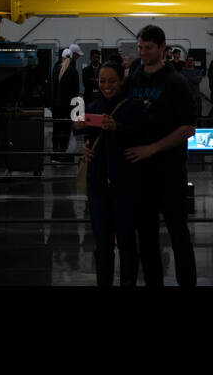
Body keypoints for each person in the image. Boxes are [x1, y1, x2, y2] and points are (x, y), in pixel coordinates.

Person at [123, 24, 197, 286]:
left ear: (162, 47)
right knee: (146, 237)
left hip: (170, 172)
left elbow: (188, 128)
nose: (142, 52)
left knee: (178, 234)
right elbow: (118, 116)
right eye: (140, 47)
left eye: (148, 48)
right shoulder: (133, 79)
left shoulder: (177, 82)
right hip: (141, 175)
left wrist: (153, 148)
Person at [77, 61, 142, 285]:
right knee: (102, 243)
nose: (107, 85)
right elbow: (86, 136)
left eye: (112, 81)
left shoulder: (132, 107)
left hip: (124, 184)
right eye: (103, 81)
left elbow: (140, 136)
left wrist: (118, 128)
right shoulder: (93, 107)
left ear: (121, 81)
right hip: (97, 184)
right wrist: (85, 146)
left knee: (126, 240)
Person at [51, 45, 81, 160]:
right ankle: (62, 153)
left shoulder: (55, 69)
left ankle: (54, 155)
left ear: (62, 57)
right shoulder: (73, 71)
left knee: (56, 129)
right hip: (67, 107)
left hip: (56, 106)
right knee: (66, 130)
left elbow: (52, 89)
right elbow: (75, 92)